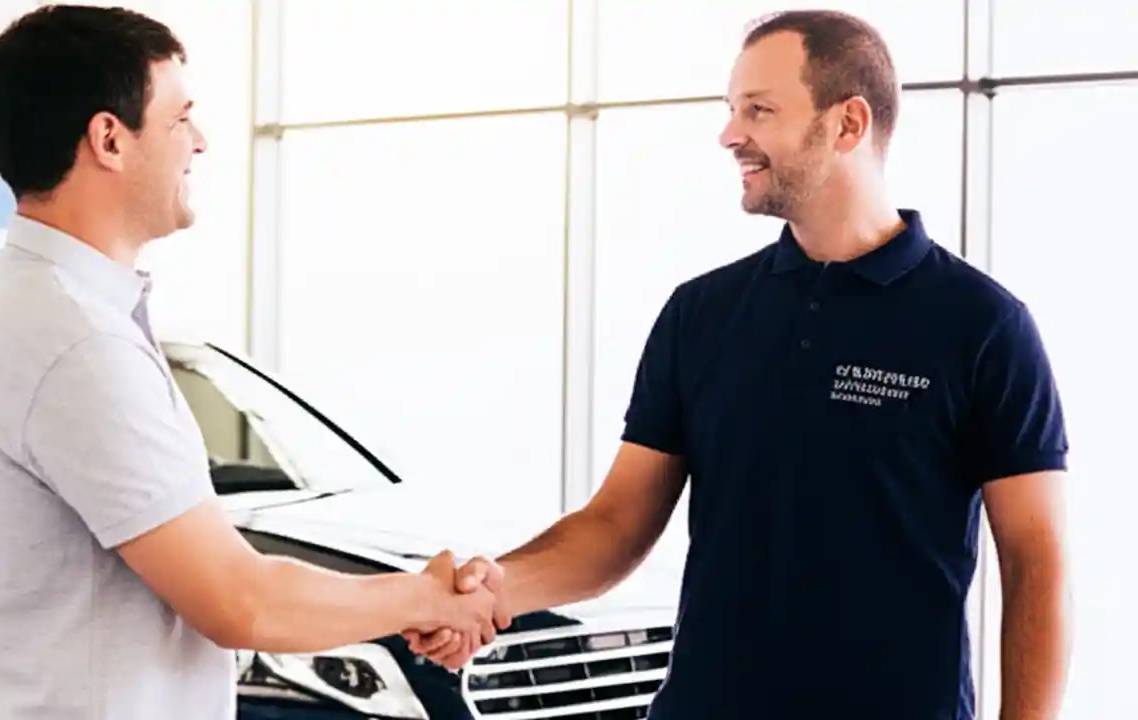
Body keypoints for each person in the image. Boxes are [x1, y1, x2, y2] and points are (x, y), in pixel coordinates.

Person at [408, 10, 1071, 719]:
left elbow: (1036, 567)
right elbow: (616, 527)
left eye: (758, 110)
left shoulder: (982, 326)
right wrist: (495, 587)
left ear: (848, 124)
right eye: (732, 109)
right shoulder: (702, 314)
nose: (730, 135)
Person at [0, 6, 495, 719]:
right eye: (181, 119)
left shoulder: (48, 307)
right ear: (109, 138)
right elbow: (240, 601)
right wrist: (421, 596)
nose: (198, 143)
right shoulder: (74, 340)